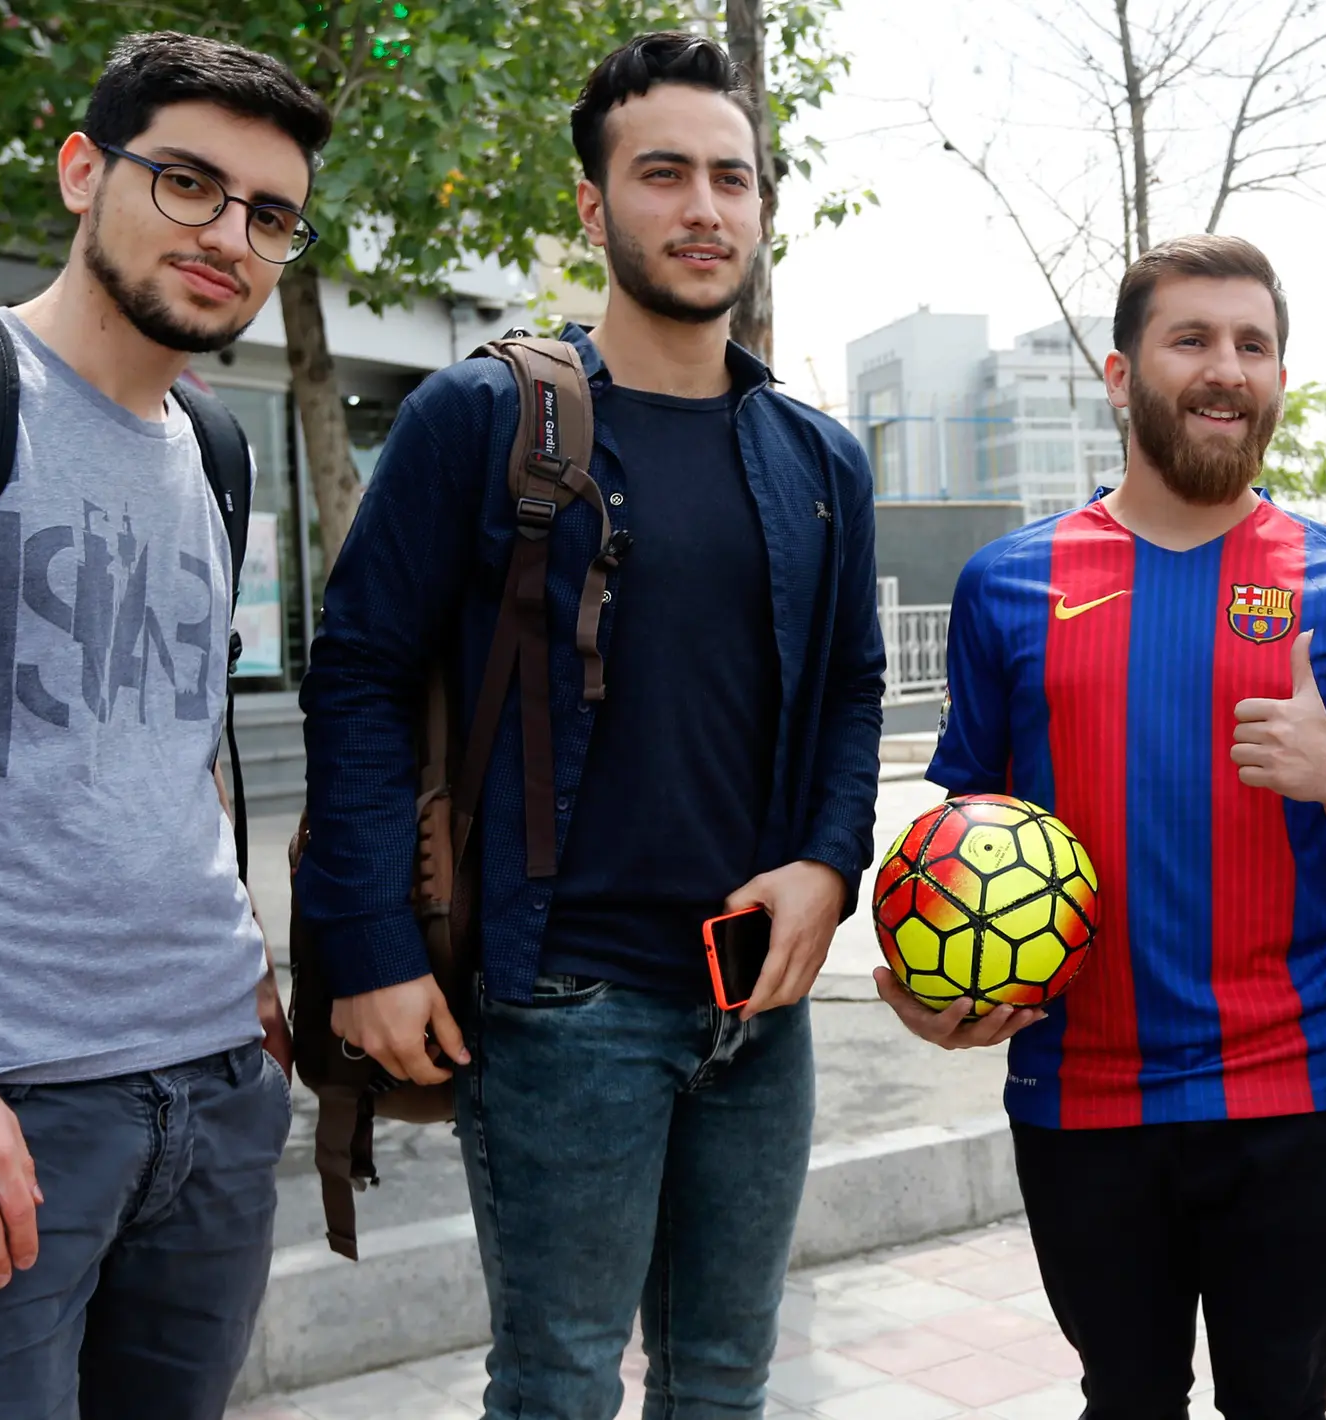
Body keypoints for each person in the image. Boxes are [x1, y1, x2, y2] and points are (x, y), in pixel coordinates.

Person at [296, 32, 882, 1420]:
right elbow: (362, 677)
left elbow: (853, 685)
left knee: (727, 1381)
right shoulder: (480, 417)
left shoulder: (816, 459)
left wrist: (827, 863)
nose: (701, 208)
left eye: (730, 179)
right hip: (564, 1002)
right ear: (590, 204)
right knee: (557, 1385)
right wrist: (371, 949)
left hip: (758, 1006)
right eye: (662, 173)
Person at [0, 33, 327, 1417]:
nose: (228, 233)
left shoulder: (217, 452)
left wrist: (246, 988)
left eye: (269, 213)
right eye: (186, 182)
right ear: (80, 171)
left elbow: (173, 746)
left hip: (216, 1092)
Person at [880, 234, 1326, 1419]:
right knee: (1124, 1400)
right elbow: (959, 841)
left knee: (1283, 1404)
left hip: (1296, 1092)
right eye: (1190, 338)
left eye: (1254, 344)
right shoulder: (1006, 584)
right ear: (1118, 370)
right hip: (1079, 1094)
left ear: (1280, 377)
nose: (1225, 368)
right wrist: (921, 984)